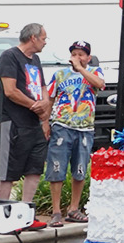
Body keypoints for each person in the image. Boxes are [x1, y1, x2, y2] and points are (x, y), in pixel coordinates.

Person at [0, 23, 52, 230]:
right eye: (44, 38)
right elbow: (10, 90)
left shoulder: (35, 60)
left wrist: (45, 107)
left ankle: (26, 214)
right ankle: (4, 215)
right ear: (33, 38)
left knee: (34, 167)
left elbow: (43, 87)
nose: (45, 42)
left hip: (33, 123)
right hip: (13, 121)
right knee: (9, 170)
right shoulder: (9, 57)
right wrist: (34, 105)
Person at [45, 40, 105, 225]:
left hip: (85, 128)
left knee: (79, 168)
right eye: (74, 54)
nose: (77, 57)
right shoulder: (60, 74)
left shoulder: (95, 72)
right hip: (62, 126)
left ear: (88, 57)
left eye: (81, 54)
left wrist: (81, 69)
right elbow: (50, 98)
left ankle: (74, 208)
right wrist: (45, 123)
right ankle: (56, 212)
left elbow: (100, 84)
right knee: (57, 167)